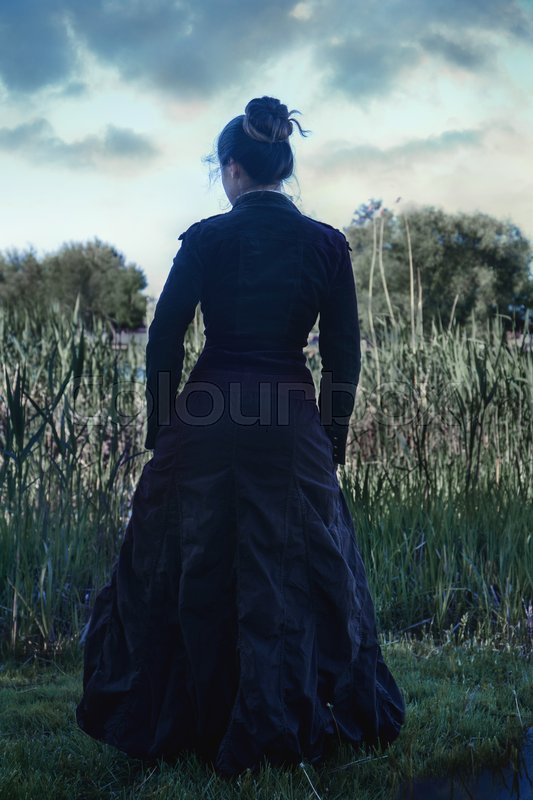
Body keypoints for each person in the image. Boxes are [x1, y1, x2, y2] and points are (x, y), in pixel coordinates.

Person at [75, 96, 405, 777]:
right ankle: (288, 719)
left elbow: (164, 337)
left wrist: (161, 429)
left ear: (232, 170)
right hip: (288, 421)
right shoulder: (325, 244)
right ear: (281, 165)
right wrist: (330, 440)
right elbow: (344, 356)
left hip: (206, 414)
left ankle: (188, 721)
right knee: (294, 571)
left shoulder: (206, 239)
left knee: (192, 562)